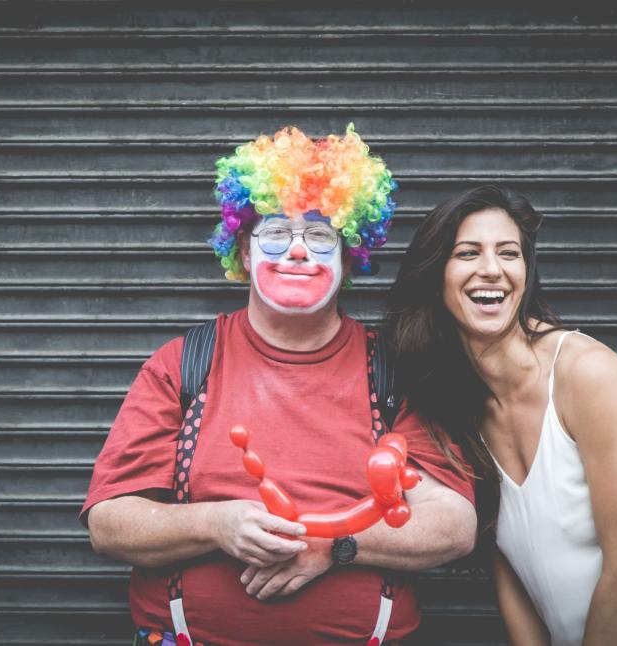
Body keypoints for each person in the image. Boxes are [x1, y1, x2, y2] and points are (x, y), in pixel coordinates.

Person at [80, 126, 478, 646]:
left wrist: (334, 545)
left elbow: (453, 525)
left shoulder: (395, 370)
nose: (296, 252)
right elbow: (110, 522)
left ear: (349, 255)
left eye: (319, 235)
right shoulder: (182, 365)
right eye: (274, 234)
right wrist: (216, 524)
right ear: (244, 251)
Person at [383, 184, 617, 645]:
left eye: (509, 253)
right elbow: (507, 563)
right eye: (468, 253)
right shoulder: (459, 405)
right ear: (437, 276)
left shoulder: (586, 374)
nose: (492, 270)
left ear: (526, 273)